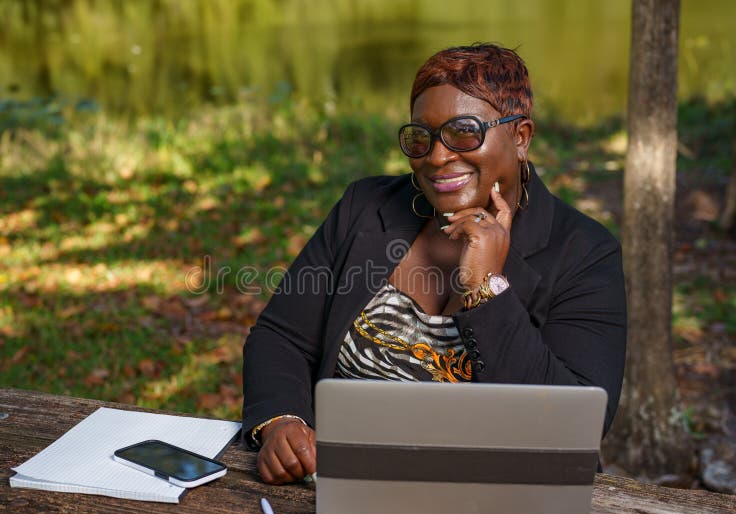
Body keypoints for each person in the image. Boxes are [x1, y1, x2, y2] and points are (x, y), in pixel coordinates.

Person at [242, 43, 626, 485]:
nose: (437, 157)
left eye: (464, 132)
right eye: (421, 138)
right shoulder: (365, 208)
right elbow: (282, 336)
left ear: (520, 138)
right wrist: (281, 422)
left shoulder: (585, 253)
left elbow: (571, 424)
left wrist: (486, 288)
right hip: (340, 486)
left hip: (498, 497)